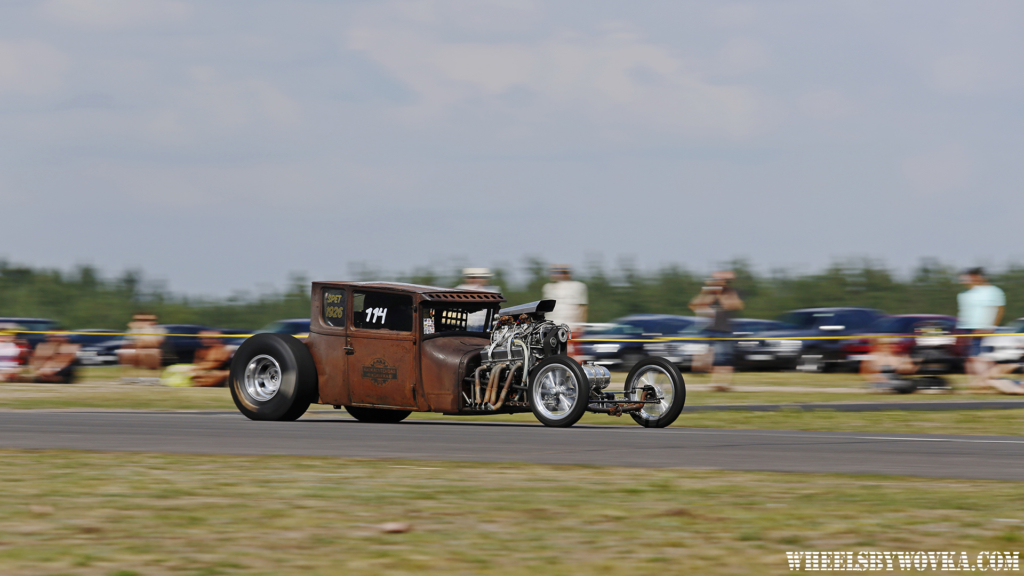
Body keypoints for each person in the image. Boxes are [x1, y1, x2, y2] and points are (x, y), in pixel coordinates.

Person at [689, 271, 744, 391]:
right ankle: (717, 383)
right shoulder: (710, 291)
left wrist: (719, 293)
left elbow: (734, 305)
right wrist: (710, 292)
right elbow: (694, 304)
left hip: (724, 330)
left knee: (723, 358)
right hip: (708, 329)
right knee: (704, 361)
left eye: (722, 281)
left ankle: (723, 383)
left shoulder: (730, 292)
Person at [957, 268, 1005, 390]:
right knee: (970, 358)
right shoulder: (964, 294)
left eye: (970, 277)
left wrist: (990, 327)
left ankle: (984, 382)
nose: (966, 280)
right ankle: (976, 383)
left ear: (979, 277)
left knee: (981, 358)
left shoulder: (993, 291)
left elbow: (999, 310)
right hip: (966, 328)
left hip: (984, 328)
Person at [542, 264, 588, 359]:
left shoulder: (577, 286)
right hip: (552, 327)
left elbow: (583, 307)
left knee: (572, 356)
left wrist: (580, 326)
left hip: (571, 327)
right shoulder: (548, 287)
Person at [118, 314, 165, 383]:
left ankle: (153, 378)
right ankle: (129, 378)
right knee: (126, 354)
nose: (142, 322)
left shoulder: (158, 330)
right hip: (137, 349)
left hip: (151, 350)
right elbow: (131, 342)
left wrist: (146, 329)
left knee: (151, 354)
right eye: (140, 320)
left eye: (146, 320)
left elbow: (155, 342)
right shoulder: (134, 330)